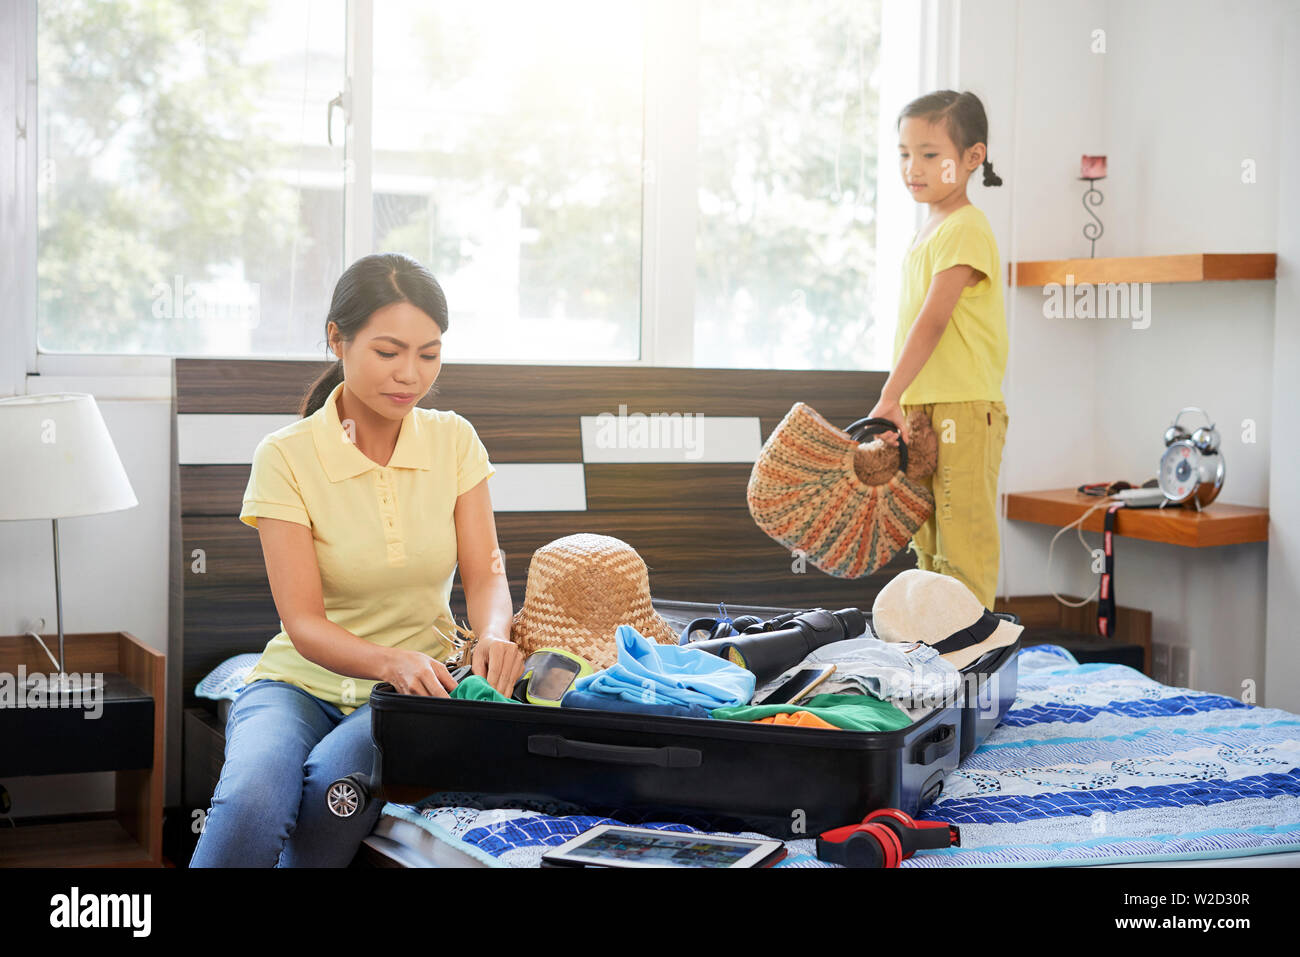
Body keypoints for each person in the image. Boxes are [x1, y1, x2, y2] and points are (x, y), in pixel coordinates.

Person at [190, 253, 527, 867]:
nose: (410, 375)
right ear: (336, 340)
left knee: (330, 793)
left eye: (429, 354)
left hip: (404, 699)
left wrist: (496, 632)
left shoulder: (455, 440)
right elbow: (305, 623)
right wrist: (391, 660)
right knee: (250, 802)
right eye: (388, 351)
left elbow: (485, 574)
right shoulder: (286, 457)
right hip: (298, 682)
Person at [867, 90, 1009, 610]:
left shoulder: (966, 227)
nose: (913, 167)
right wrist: (904, 402)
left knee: (962, 544)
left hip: (964, 407)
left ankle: (973, 664)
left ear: (974, 157)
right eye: (905, 154)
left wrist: (888, 396)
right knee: (927, 546)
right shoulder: (931, 229)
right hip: (927, 407)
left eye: (930, 154)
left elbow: (931, 322)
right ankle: (936, 658)